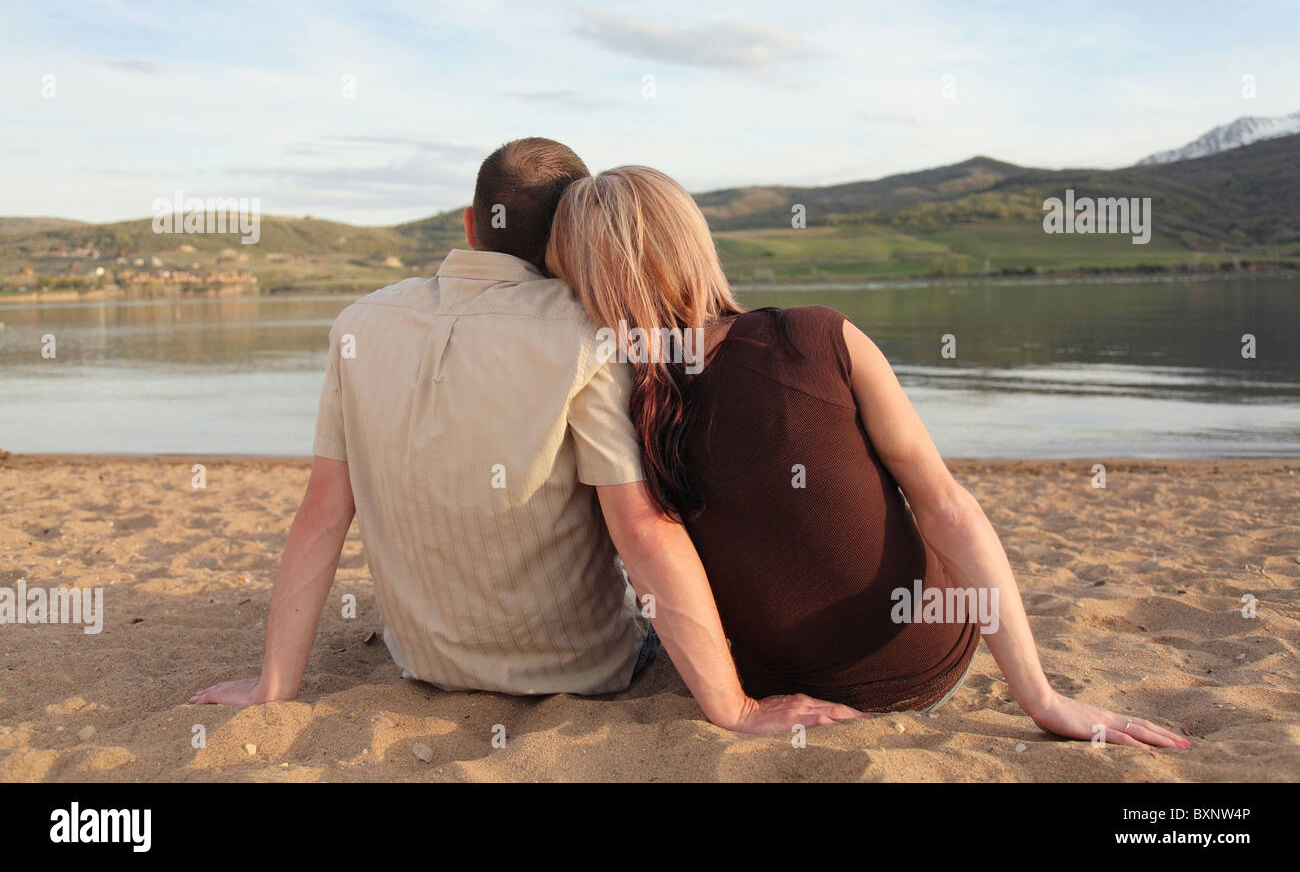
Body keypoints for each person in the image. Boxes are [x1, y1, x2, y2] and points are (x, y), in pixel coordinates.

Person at [190, 139, 862, 735]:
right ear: (575, 234)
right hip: (583, 668)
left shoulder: (358, 323)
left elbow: (323, 510)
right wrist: (736, 709)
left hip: (424, 664)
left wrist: (273, 685)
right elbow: (640, 529)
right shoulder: (587, 331)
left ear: (469, 223)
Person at [546, 165, 1191, 750]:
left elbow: (649, 546)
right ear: (694, 243)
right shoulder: (818, 334)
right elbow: (945, 505)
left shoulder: (613, 399)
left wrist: (735, 710)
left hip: (773, 684)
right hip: (926, 663)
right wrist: (1042, 699)